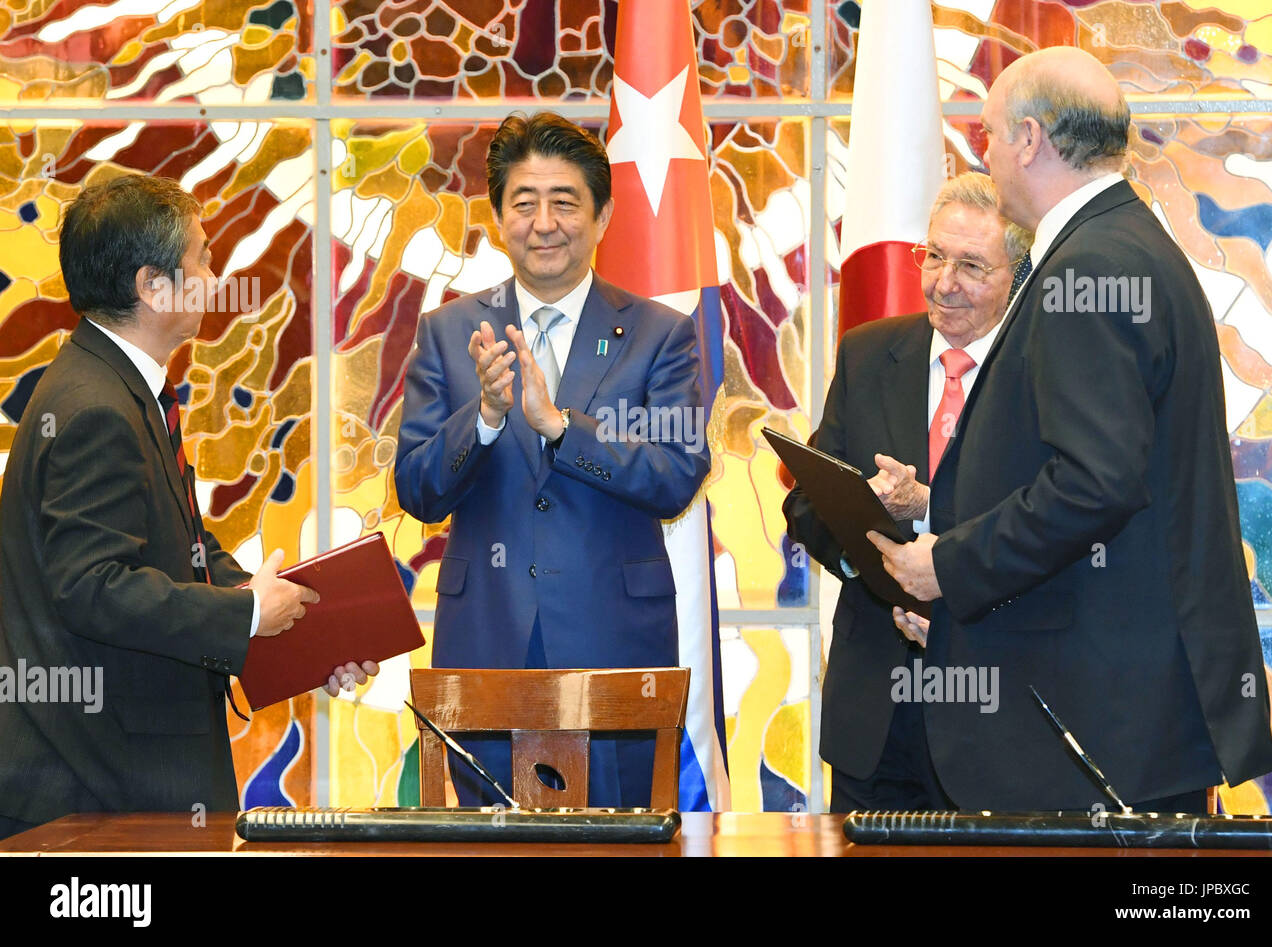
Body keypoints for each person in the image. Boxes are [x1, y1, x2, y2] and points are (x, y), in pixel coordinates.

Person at [869, 47, 1272, 811]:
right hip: (1121, 712)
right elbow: (1095, 466)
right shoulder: (1127, 244)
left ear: (1029, 140)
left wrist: (949, 565)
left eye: (987, 135)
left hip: (1095, 723)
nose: (982, 156)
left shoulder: (1087, 267)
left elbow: (1094, 482)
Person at [0, 175, 374, 841]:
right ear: (153, 285)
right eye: (202, 255)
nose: (213, 272)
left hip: (118, 773)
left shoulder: (121, 388)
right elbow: (95, 588)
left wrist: (312, 629)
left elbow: (183, 561)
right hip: (92, 789)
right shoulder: (93, 408)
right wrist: (251, 612)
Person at [394, 112, 709, 807]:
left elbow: (678, 472)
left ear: (602, 218)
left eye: (565, 202)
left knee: (623, 847)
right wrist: (483, 418)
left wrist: (563, 428)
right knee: (482, 850)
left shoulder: (661, 334)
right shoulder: (448, 333)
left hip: (615, 641)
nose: (544, 222)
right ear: (499, 216)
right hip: (486, 638)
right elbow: (416, 488)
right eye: (524, 202)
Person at [784, 173, 1029, 812]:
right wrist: (867, 554)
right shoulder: (869, 354)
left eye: (972, 265)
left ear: (1018, 273)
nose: (944, 282)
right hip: (876, 712)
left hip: (996, 706)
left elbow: (1050, 521)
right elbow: (806, 503)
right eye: (935, 256)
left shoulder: (1038, 370)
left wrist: (936, 539)